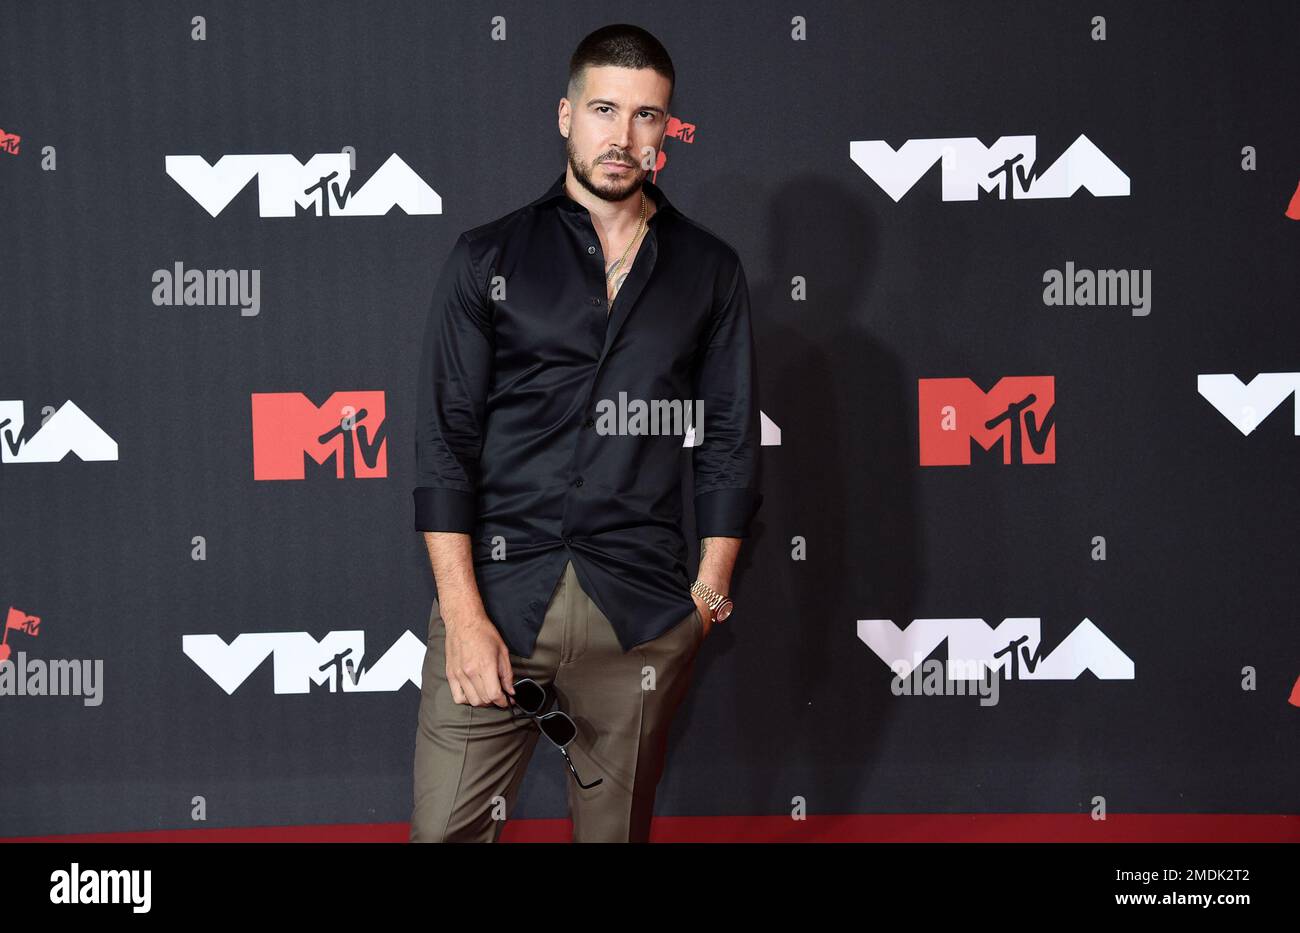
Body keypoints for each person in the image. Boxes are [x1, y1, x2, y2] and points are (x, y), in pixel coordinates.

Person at [409, 23, 762, 843]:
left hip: (637, 612)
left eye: (647, 116)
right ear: (565, 115)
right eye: (604, 109)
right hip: (497, 602)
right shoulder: (484, 256)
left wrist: (705, 600)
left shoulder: (708, 269)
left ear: (666, 133)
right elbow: (444, 440)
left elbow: (730, 437)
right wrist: (462, 617)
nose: (623, 135)